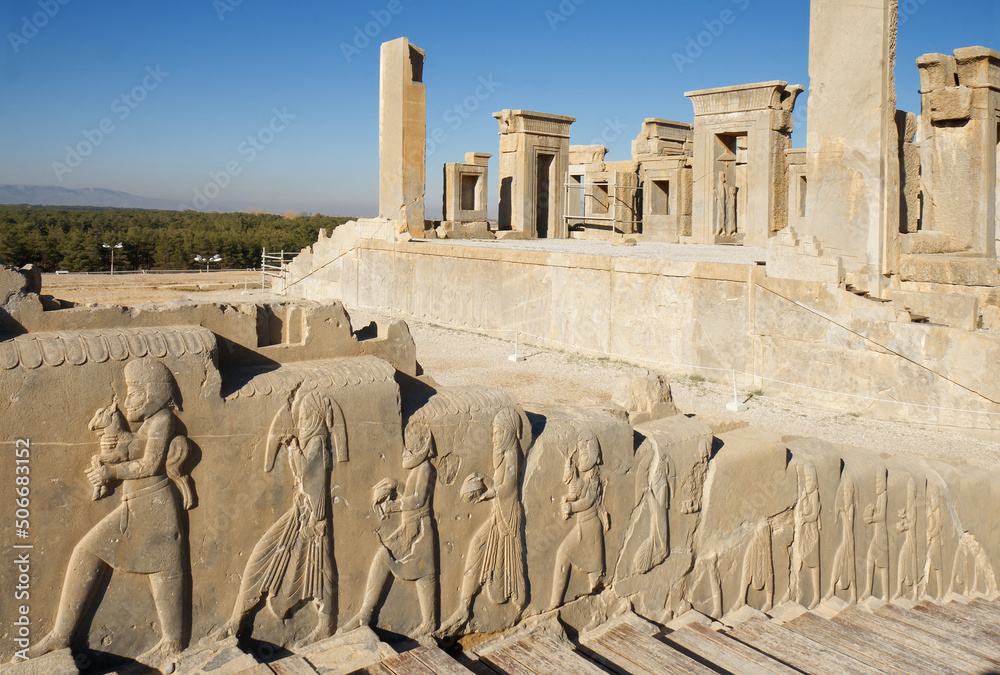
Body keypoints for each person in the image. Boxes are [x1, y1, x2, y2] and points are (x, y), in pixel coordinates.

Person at [32, 357, 192, 667]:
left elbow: (150, 465)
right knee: (89, 552)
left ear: (154, 393)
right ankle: (61, 634)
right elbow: (136, 449)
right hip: (136, 506)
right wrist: (112, 457)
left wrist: (112, 474)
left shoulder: (163, 421)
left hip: (153, 507)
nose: (127, 400)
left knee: (164, 572)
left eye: (135, 393)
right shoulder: (149, 423)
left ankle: (172, 642)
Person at [212, 387, 345, 646]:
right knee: (262, 556)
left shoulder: (318, 441)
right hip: (302, 513)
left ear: (316, 418)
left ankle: (327, 625)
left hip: (313, 520)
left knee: (321, 571)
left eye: (305, 419)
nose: (301, 424)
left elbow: (309, 479)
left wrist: (294, 448)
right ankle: (236, 621)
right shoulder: (311, 441)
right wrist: (294, 446)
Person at [345, 420, 437, 635]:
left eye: (413, 445)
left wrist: (393, 505)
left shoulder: (425, 469)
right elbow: (412, 494)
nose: (408, 450)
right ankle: (365, 615)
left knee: (423, 574)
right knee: (392, 561)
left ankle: (429, 623)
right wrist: (395, 486)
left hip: (419, 531)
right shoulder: (418, 469)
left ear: (422, 445)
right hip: (411, 528)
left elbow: (418, 500)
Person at [439, 407, 526, 635]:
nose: (495, 437)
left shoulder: (512, 454)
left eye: (499, 433)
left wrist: (488, 493)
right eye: (494, 433)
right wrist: (483, 480)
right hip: (498, 511)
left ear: (508, 433)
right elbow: (499, 481)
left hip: (507, 516)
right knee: (480, 545)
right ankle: (465, 606)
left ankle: (518, 605)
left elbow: (509, 487)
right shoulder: (503, 454)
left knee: (511, 560)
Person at [549, 430, 606, 610]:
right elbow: (576, 493)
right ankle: (555, 603)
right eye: (580, 454)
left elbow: (588, 501)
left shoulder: (594, 478)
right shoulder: (583, 478)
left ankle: (594, 605)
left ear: (595, 456)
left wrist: (572, 507)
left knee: (593, 571)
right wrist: (568, 499)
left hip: (590, 528)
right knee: (565, 554)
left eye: (585, 454)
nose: (581, 458)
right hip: (583, 526)